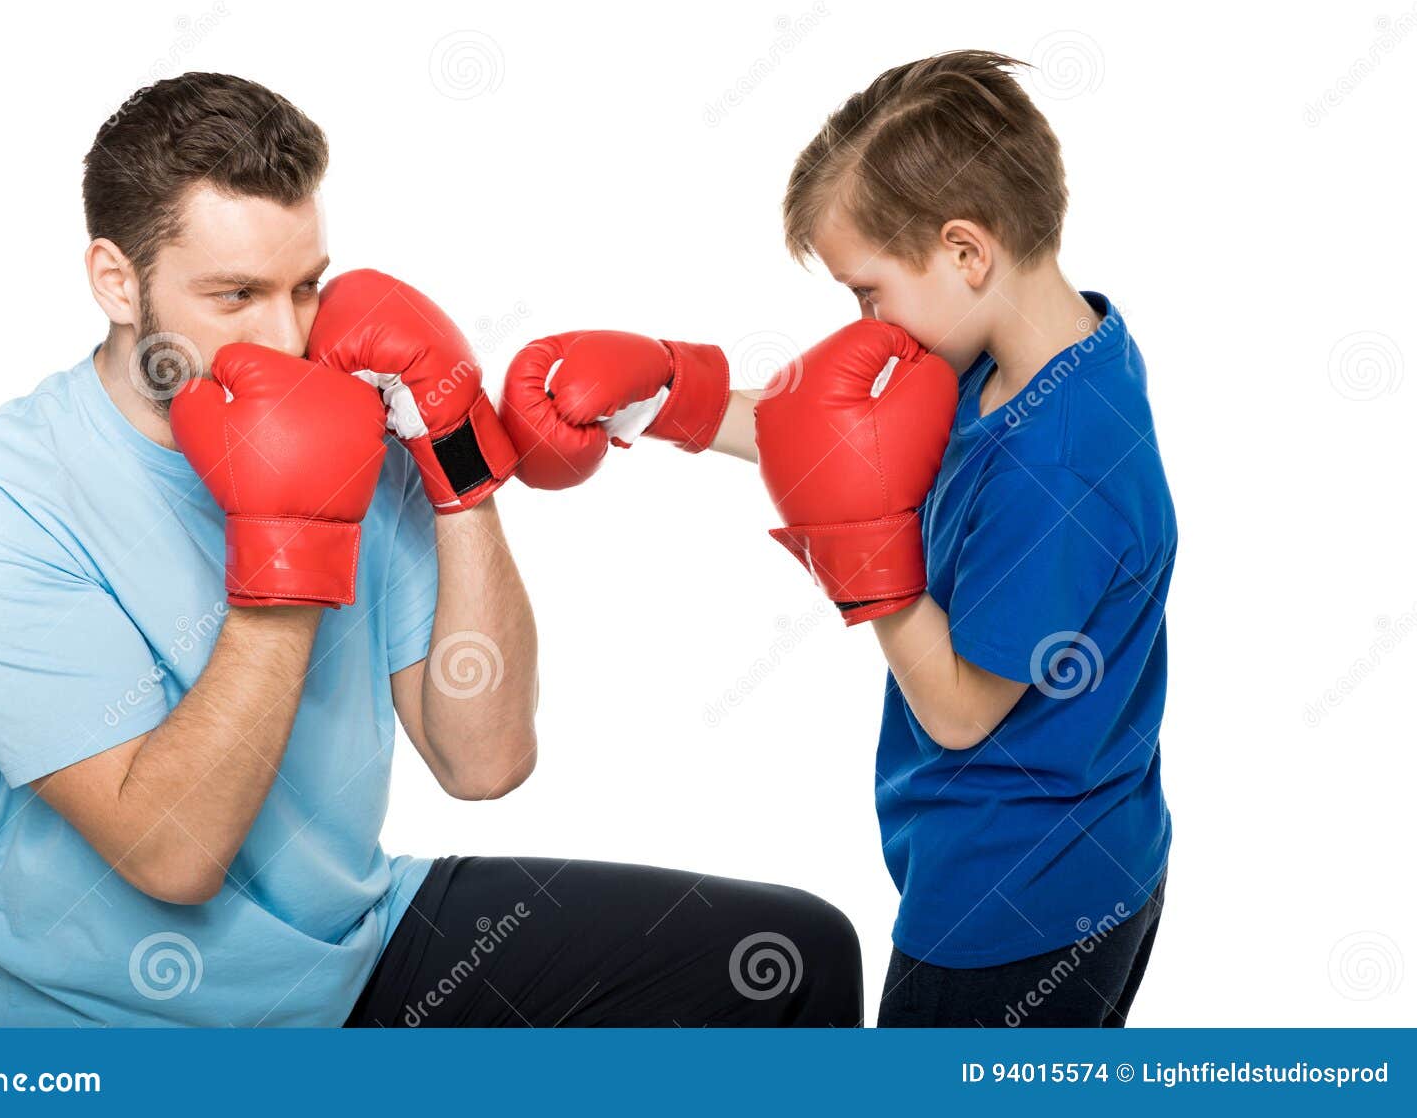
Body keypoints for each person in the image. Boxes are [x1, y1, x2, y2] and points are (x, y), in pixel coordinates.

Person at [0, 72, 861, 1028]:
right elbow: (175, 855)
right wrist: (292, 531)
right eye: (235, 294)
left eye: (305, 286)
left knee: (788, 958)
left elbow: (484, 761)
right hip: (129, 1029)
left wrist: (454, 466)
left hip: (358, 951)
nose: (284, 335)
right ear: (117, 280)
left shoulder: (351, 423)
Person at [502, 50, 1173, 1027]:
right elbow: (832, 437)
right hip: (1092, 852)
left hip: (1014, 907)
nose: (862, 323)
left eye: (867, 291)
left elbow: (956, 712)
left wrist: (868, 557)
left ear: (965, 252)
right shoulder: (1036, 357)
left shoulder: (1057, 465)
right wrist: (662, 400)